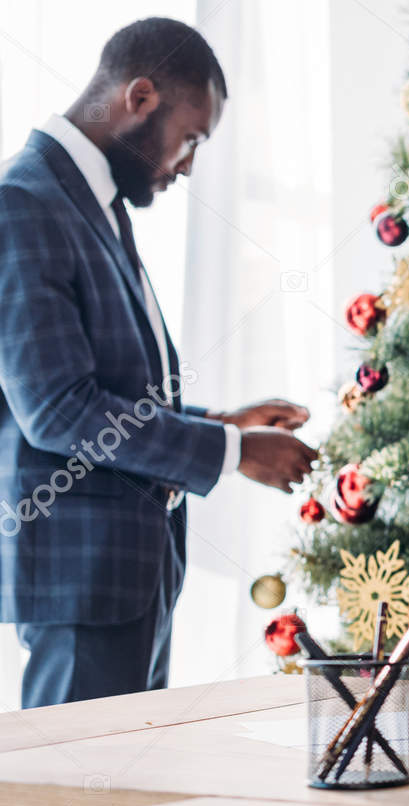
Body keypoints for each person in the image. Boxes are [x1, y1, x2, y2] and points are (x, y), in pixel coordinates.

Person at [0, 18, 316, 709]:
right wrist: (232, 450)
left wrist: (219, 420)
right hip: (85, 585)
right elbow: (56, 411)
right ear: (140, 98)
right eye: (192, 139)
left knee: (126, 800)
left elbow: (103, 386)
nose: (188, 165)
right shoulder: (22, 202)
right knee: (78, 805)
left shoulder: (90, 202)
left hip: (128, 578)